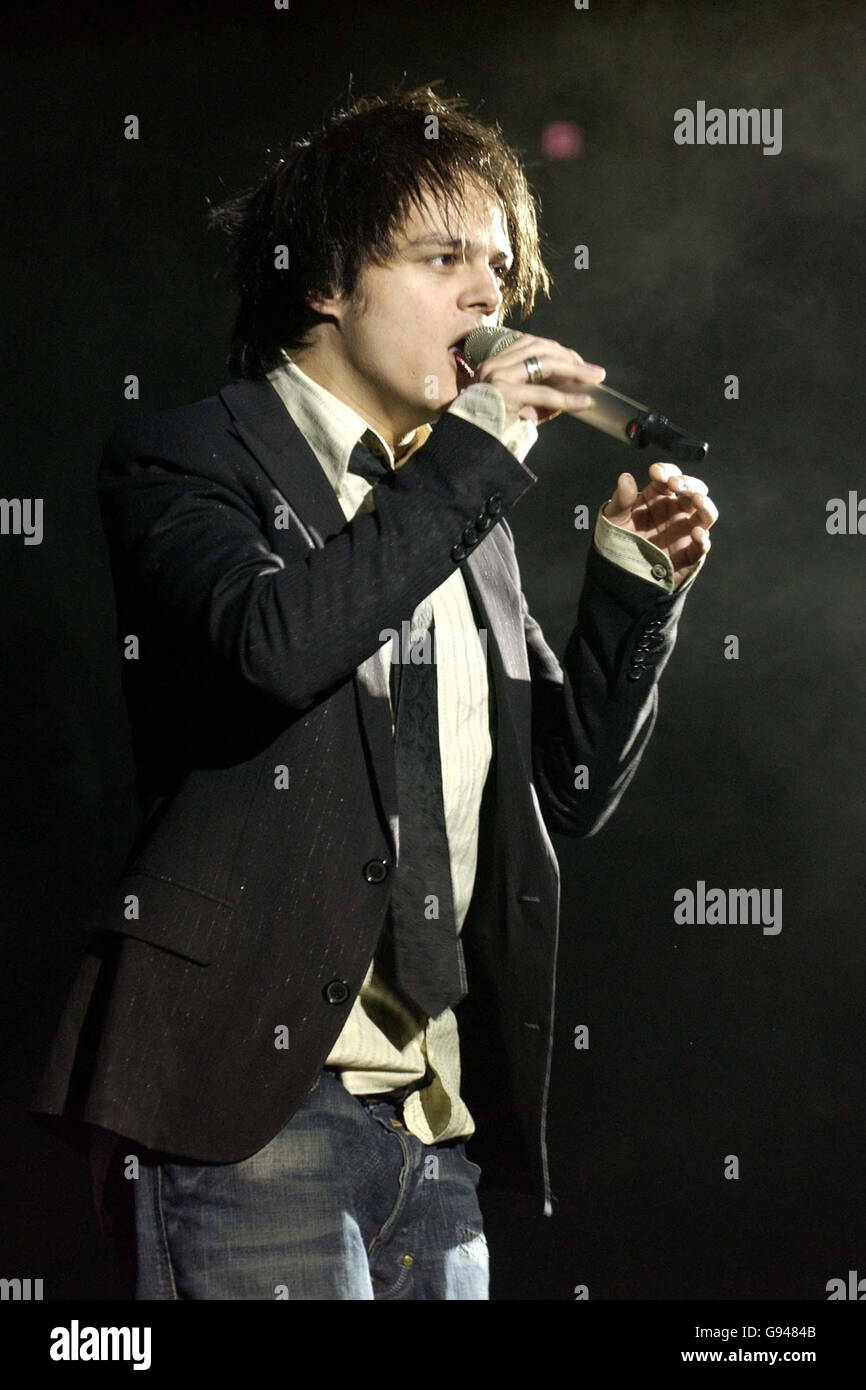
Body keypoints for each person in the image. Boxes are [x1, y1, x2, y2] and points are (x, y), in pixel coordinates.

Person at [30, 82, 716, 1300]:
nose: (484, 297)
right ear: (323, 282)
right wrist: (478, 454)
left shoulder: (465, 515)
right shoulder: (195, 453)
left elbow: (558, 798)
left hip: (436, 1137)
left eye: (498, 269)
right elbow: (271, 645)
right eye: (439, 255)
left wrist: (630, 586)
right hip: (248, 1112)